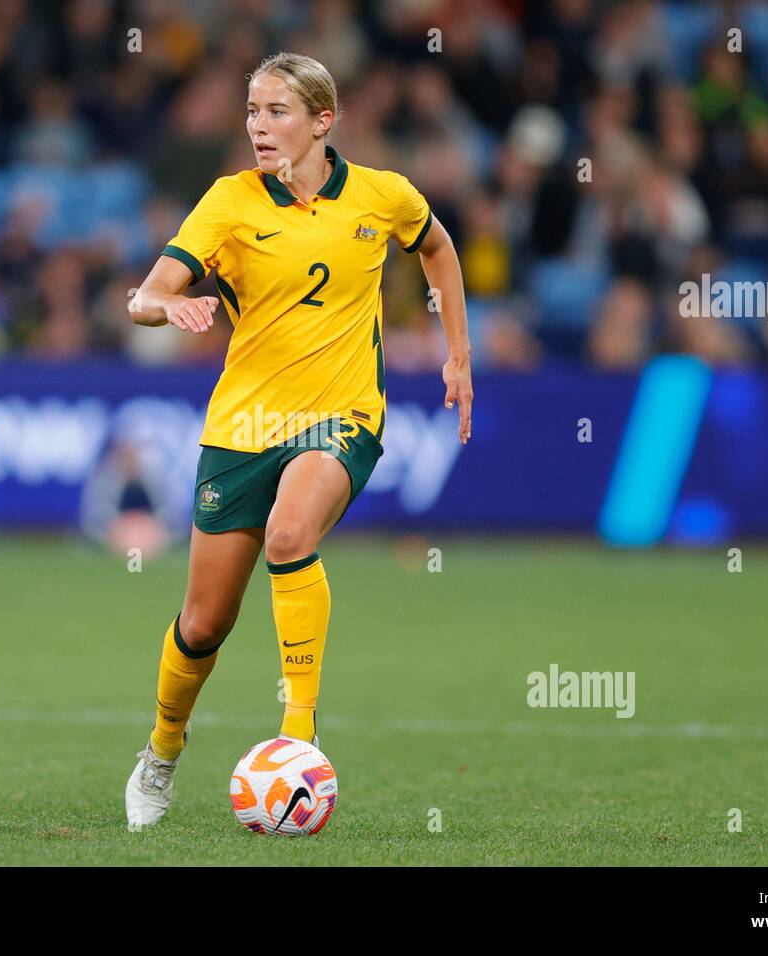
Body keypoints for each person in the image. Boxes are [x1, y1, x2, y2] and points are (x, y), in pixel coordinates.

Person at [123, 52, 472, 828]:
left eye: (276, 111)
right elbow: (147, 294)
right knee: (204, 621)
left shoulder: (385, 196)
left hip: (341, 416)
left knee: (289, 534)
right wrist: (164, 308)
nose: (258, 126)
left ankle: (299, 740)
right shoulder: (229, 202)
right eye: (251, 111)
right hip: (243, 427)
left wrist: (457, 353)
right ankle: (161, 752)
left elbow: (439, 249)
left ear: (323, 121)